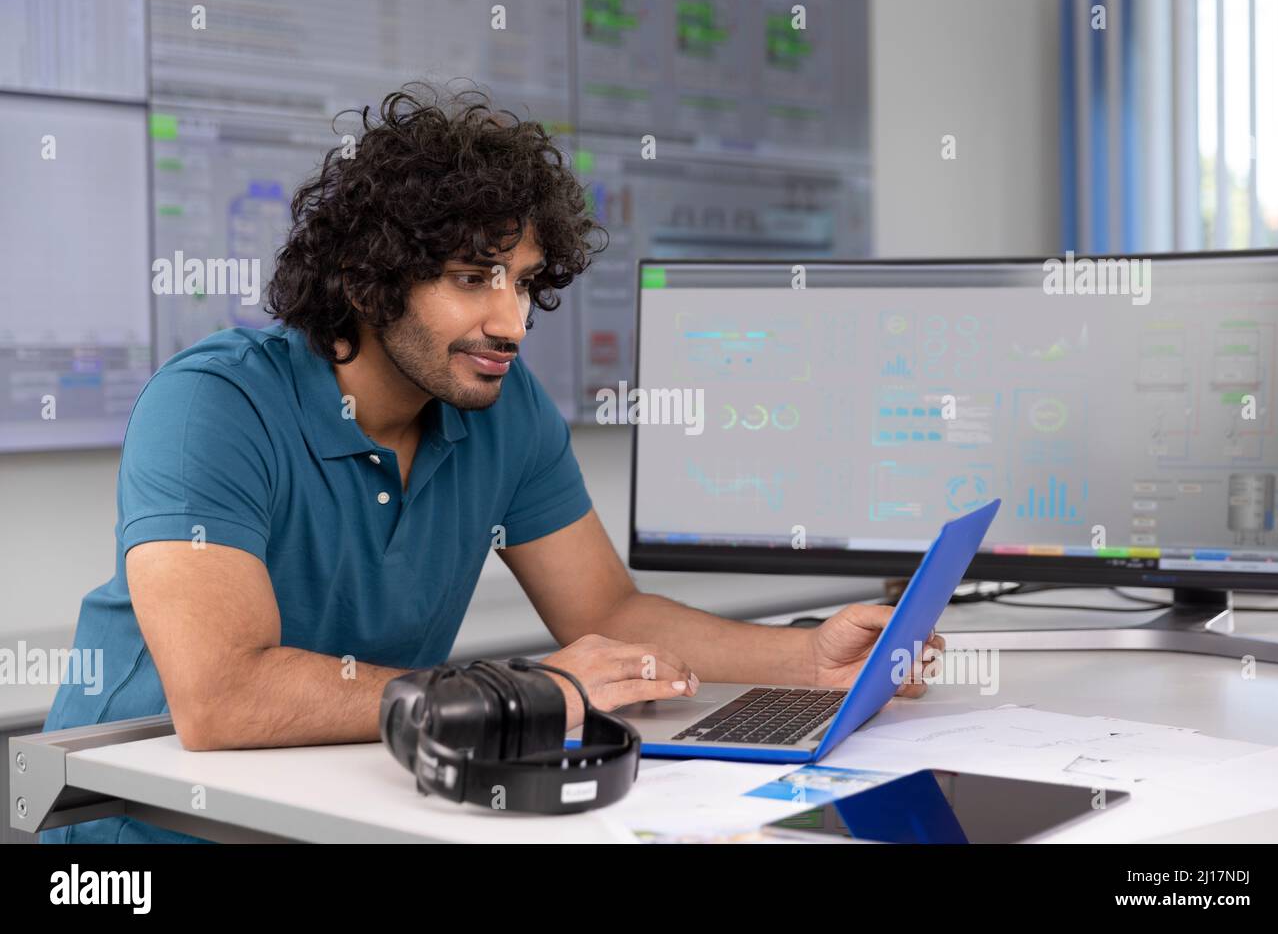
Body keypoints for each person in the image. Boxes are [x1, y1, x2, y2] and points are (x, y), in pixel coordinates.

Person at [41, 83, 942, 843]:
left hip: (343, 807)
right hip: (135, 822)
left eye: (523, 283)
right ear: (369, 278)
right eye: (474, 278)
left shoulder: (502, 410)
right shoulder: (213, 405)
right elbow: (222, 697)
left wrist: (810, 659)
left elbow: (610, 609)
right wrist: (530, 690)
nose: (511, 323)